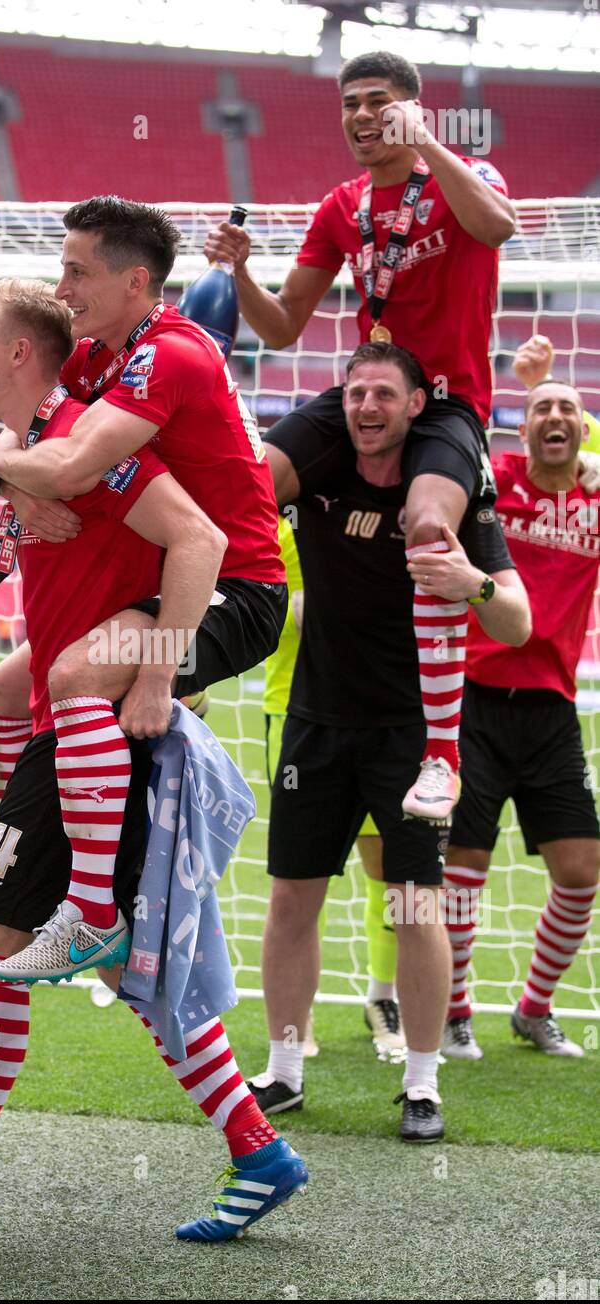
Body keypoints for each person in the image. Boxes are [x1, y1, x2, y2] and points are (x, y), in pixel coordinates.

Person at [0, 278, 307, 1243]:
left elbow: (194, 536)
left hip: (89, 737)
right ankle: (259, 1152)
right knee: (134, 977)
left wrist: (161, 670)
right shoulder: (38, 444)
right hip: (72, 743)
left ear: (17, 354)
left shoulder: (87, 439)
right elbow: (7, 678)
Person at [0, 195, 288, 982]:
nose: (61, 284)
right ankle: (42, 816)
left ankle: (93, 914)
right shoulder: (98, 350)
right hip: (161, 578)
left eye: (77, 270)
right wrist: (10, 479)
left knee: (73, 676)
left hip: (230, 585)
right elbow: (27, 428)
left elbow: (70, 464)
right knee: (4, 691)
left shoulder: (169, 354)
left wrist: (160, 674)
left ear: (135, 281)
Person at [203, 50, 515, 826]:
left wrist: (430, 146)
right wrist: (242, 275)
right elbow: (281, 328)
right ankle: (190, 661)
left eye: (380, 102)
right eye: (350, 104)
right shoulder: (341, 207)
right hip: (364, 396)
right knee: (243, 482)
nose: (362, 116)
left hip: (444, 405)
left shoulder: (468, 176)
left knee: (431, 531)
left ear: (414, 107)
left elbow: (499, 227)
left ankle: (440, 757)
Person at [251, 342, 530, 1141]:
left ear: (416, 406)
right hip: (316, 722)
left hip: (414, 738)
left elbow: (516, 621)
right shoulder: (318, 471)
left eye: (384, 394)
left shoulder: (449, 492)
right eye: (355, 393)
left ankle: (420, 1082)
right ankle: (285, 1069)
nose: (367, 407)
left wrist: (472, 584)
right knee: (291, 900)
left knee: (413, 905)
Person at [442, 338, 600, 1060]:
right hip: (473, 698)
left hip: (551, 709)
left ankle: (533, 1010)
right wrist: (527, 387)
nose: (555, 416)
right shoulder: (498, 481)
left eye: (569, 407)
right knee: (463, 868)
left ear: (586, 430)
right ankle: (455, 1012)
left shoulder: (596, 499)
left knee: (580, 870)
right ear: (524, 425)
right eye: (541, 408)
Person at [262, 511, 405, 1068]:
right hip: (296, 711)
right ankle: (299, 1019)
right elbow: (279, 611)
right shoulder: (284, 520)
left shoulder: (381, 504)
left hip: (379, 717)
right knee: (301, 874)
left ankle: (383, 998)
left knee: (390, 866)